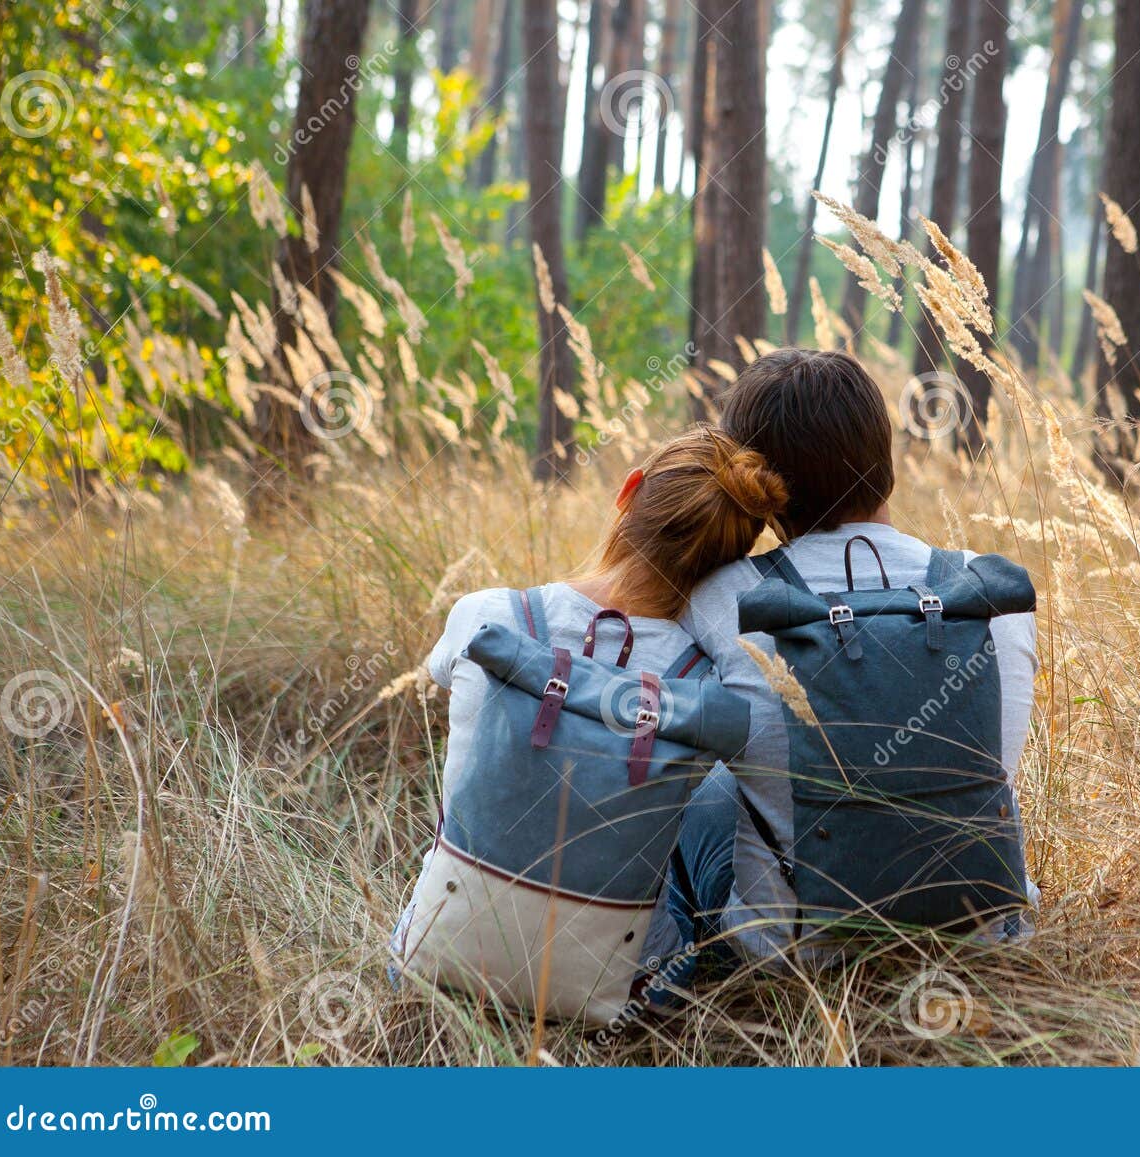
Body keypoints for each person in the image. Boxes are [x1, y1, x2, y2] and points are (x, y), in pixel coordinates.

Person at [391, 425, 787, 1003]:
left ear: (629, 491)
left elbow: (446, 676)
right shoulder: (702, 683)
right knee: (720, 793)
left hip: (436, 960)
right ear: (725, 561)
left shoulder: (486, 616)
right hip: (622, 986)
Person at [674, 348, 1040, 968]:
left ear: (755, 482)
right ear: (885, 457)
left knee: (700, 787)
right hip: (983, 941)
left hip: (794, 956)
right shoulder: (990, 592)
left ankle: (658, 981)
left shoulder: (722, 597)